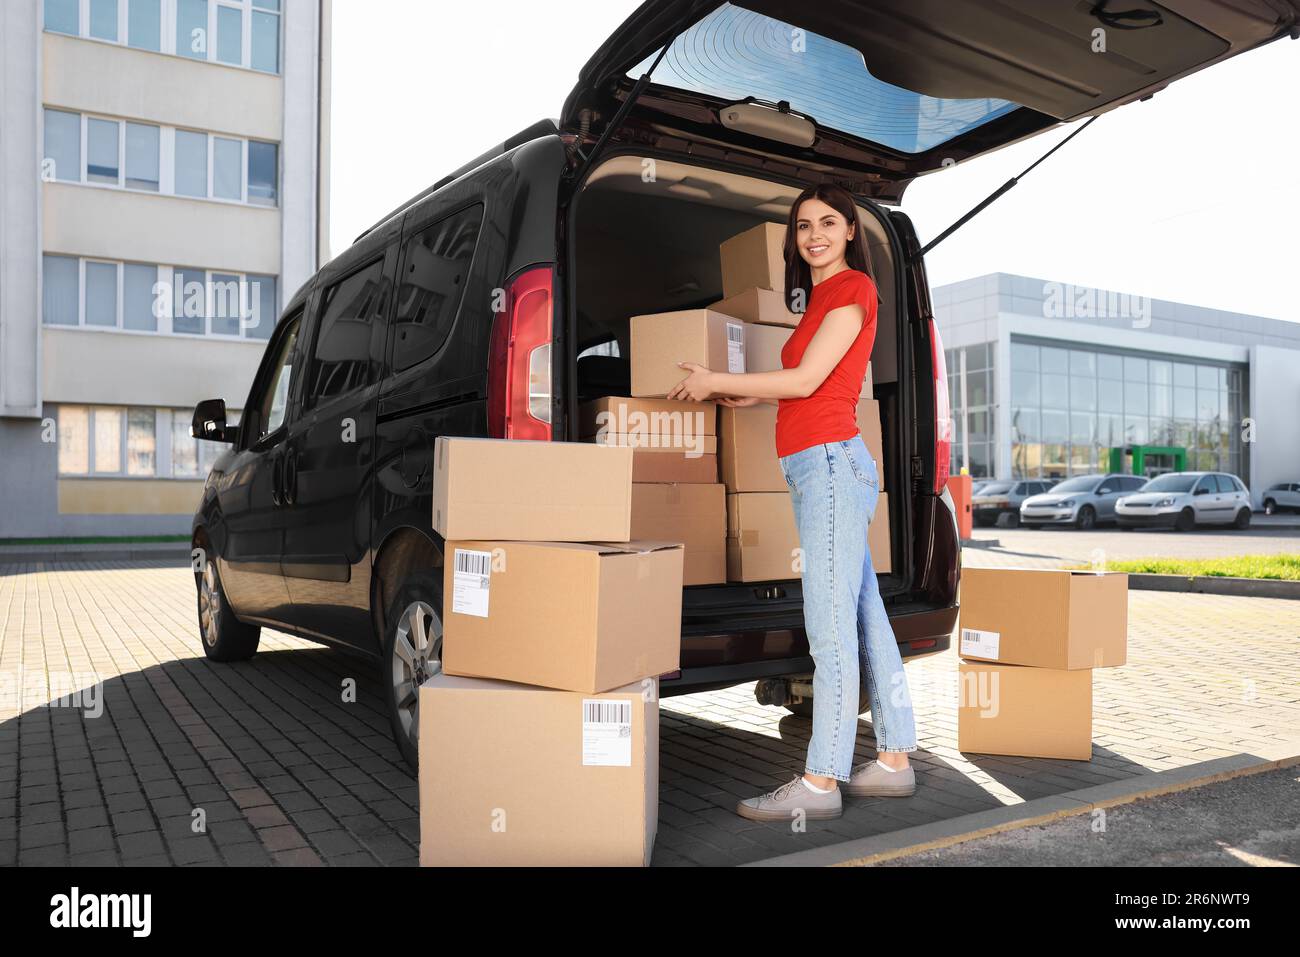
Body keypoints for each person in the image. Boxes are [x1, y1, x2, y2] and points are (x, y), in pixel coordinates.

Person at [667, 183, 917, 822]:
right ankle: (893, 760)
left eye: (828, 223)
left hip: (830, 465)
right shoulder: (819, 301)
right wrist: (755, 396)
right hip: (825, 463)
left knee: (829, 631)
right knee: (865, 616)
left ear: (851, 231)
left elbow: (809, 381)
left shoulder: (854, 289)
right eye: (804, 225)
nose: (814, 235)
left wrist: (717, 380)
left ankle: (821, 782)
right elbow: (812, 385)